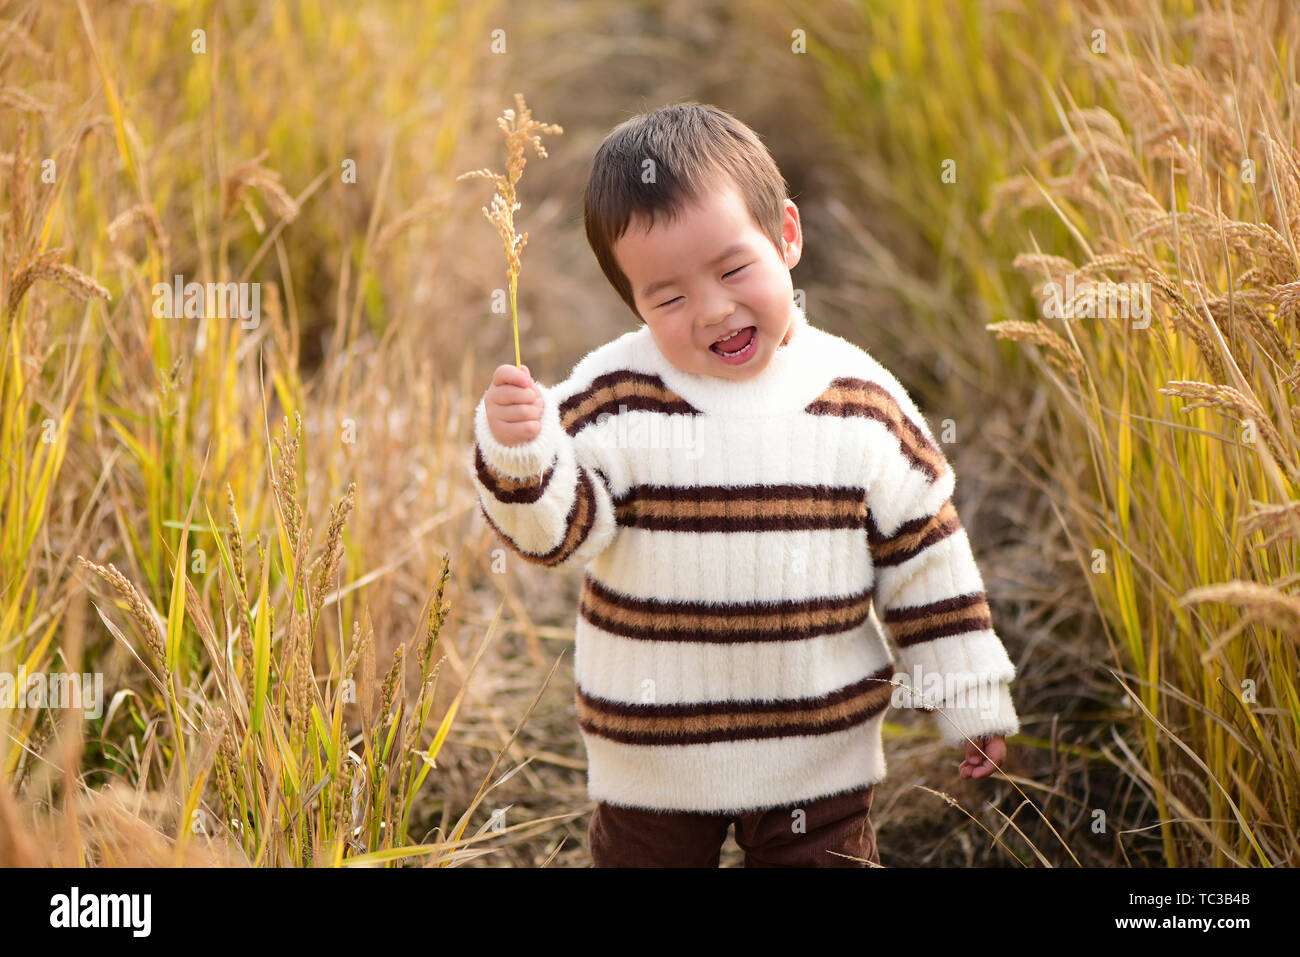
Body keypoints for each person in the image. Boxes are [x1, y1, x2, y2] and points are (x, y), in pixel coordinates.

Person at [468, 102, 1020, 867]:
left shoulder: (858, 399)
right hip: (651, 763)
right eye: (668, 296)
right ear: (633, 302)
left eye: (734, 270)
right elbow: (557, 534)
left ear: (787, 235)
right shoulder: (613, 397)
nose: (713, 309)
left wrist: (967, 695)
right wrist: (521, 451)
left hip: (816, 762)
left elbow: (925, 560)